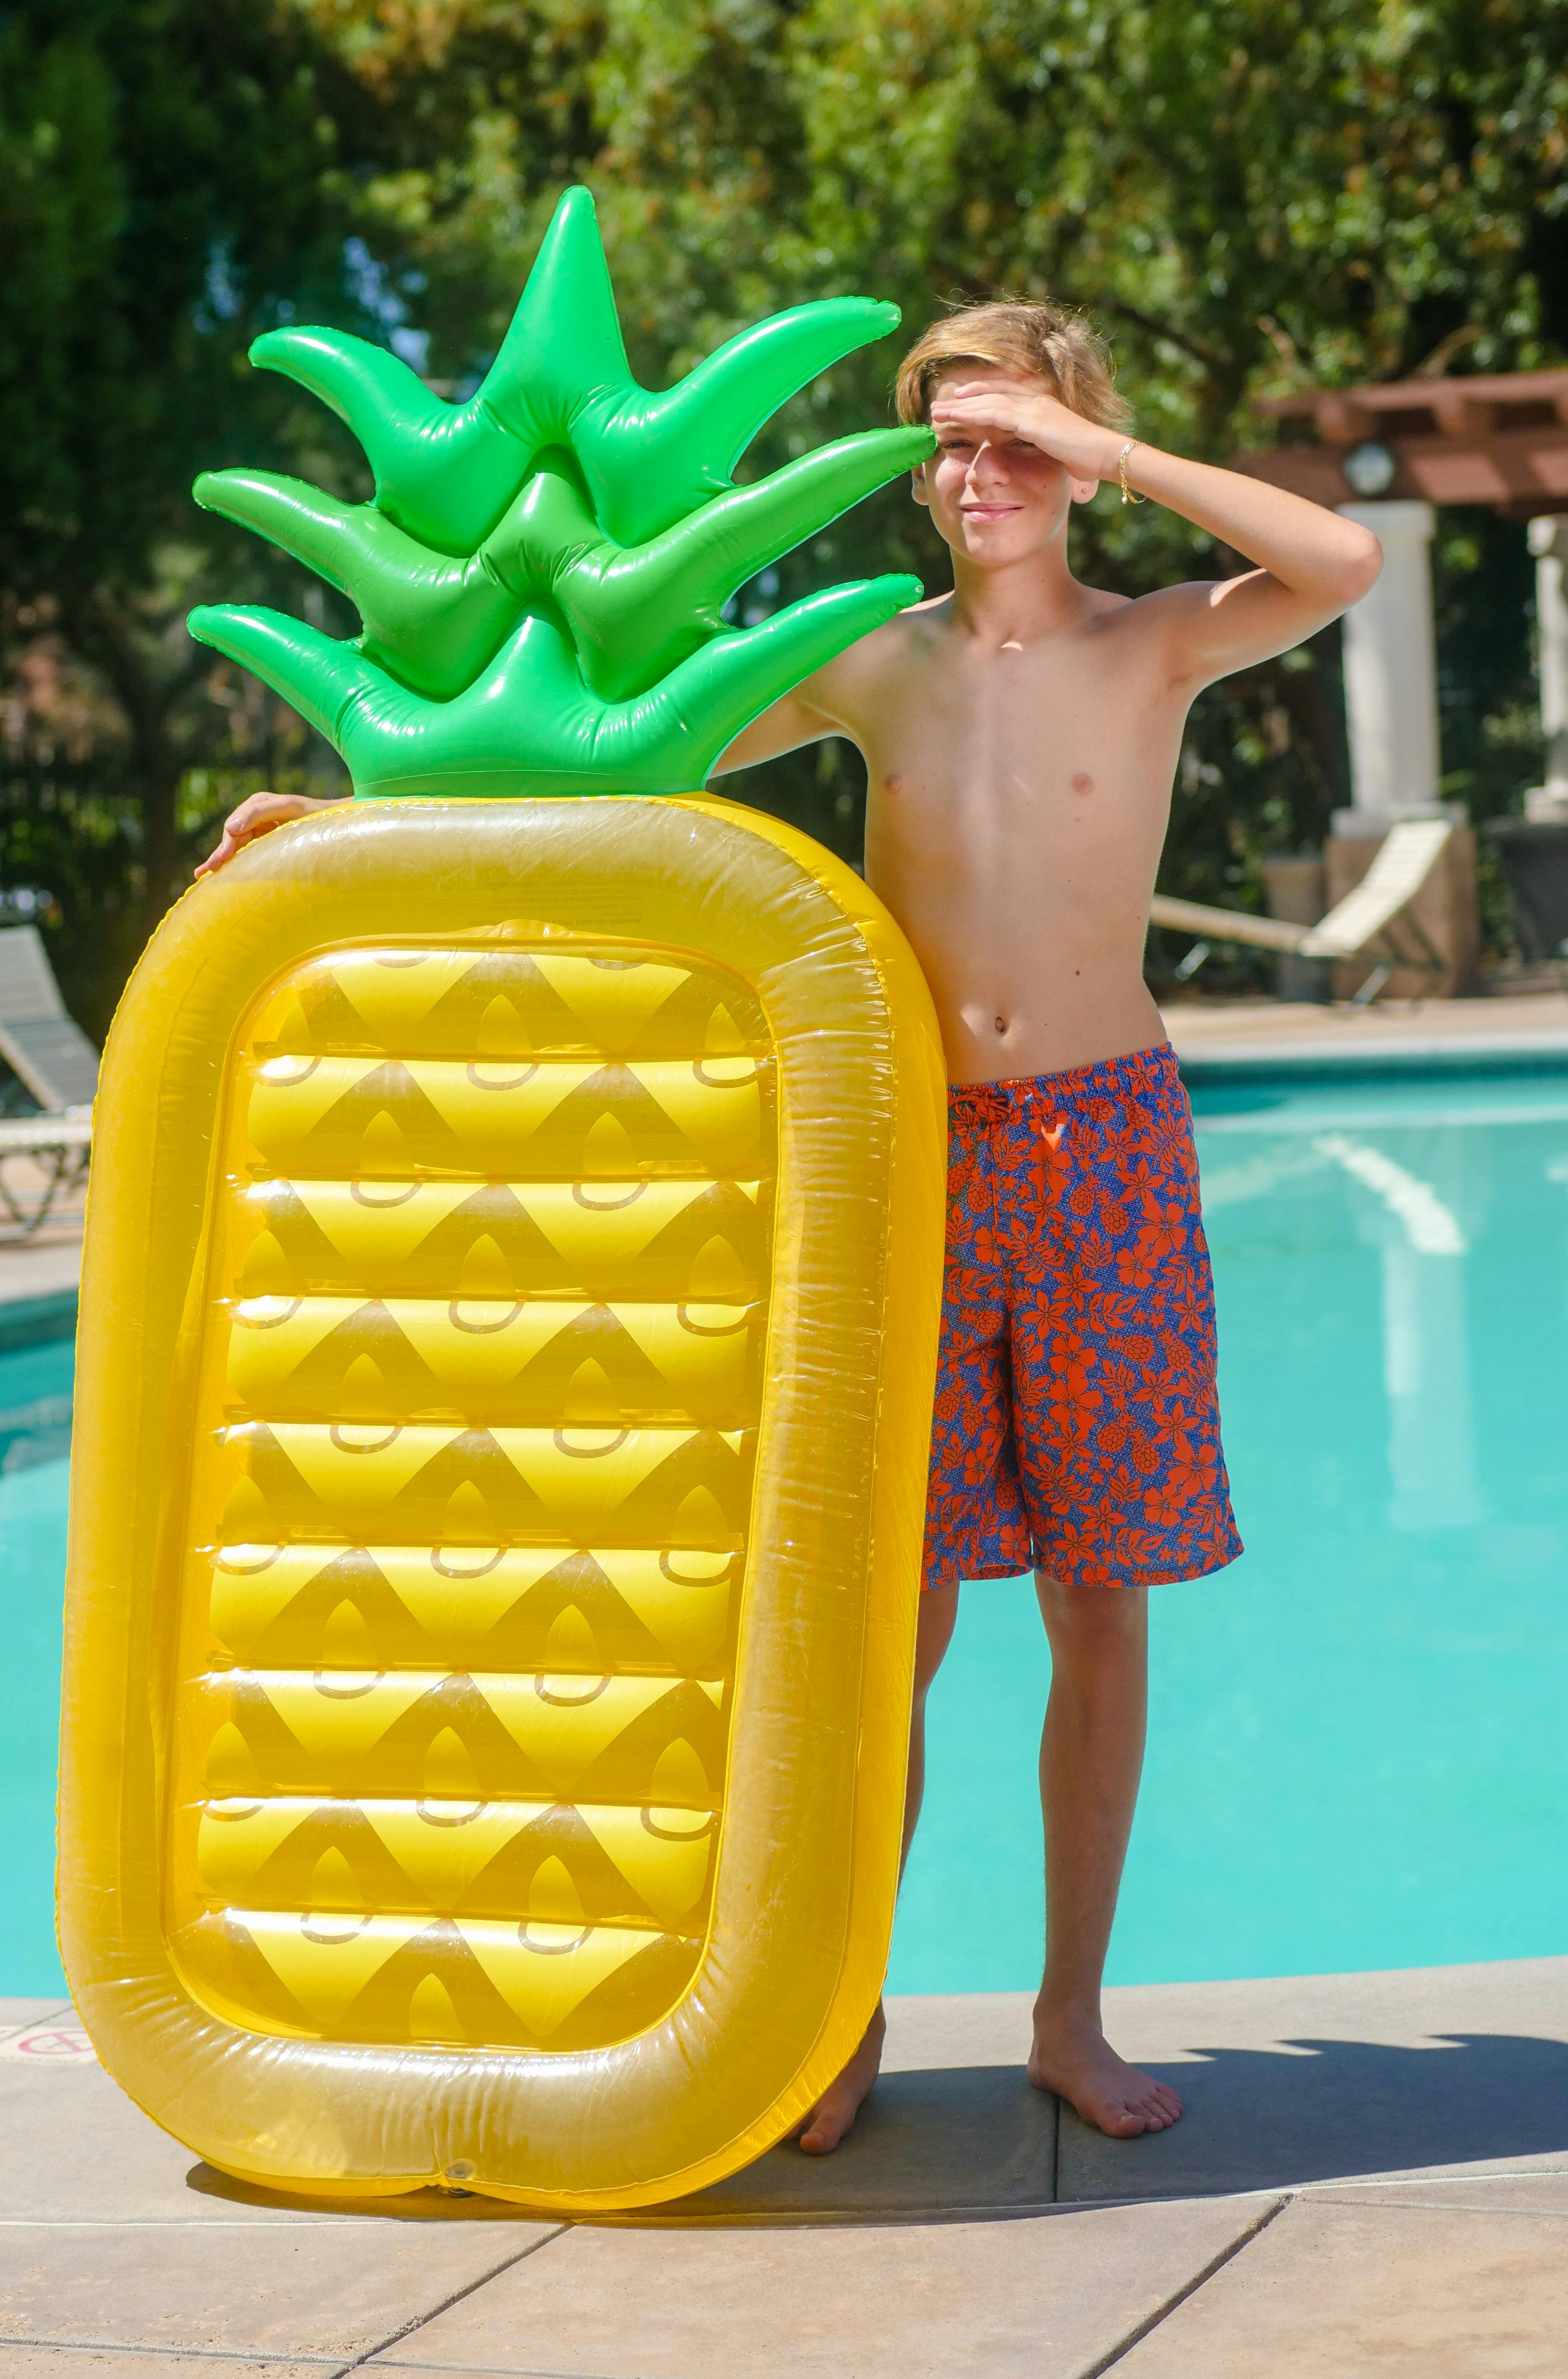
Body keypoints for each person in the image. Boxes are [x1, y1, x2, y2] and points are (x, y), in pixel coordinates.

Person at [194, 297, 1381, 2148]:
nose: (980, 475)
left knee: (1102, 1608)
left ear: (1079, 453)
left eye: (1018, 441)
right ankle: (841, 2016)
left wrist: (1112, 451)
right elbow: (609, 758)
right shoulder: (875, 666)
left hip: (1109, 1153)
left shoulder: (1159, 645)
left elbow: (1344, 555)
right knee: (881, 1630)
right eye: (952, 443)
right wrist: (350, 818)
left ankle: (1072, 2015)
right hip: (921, 1158)